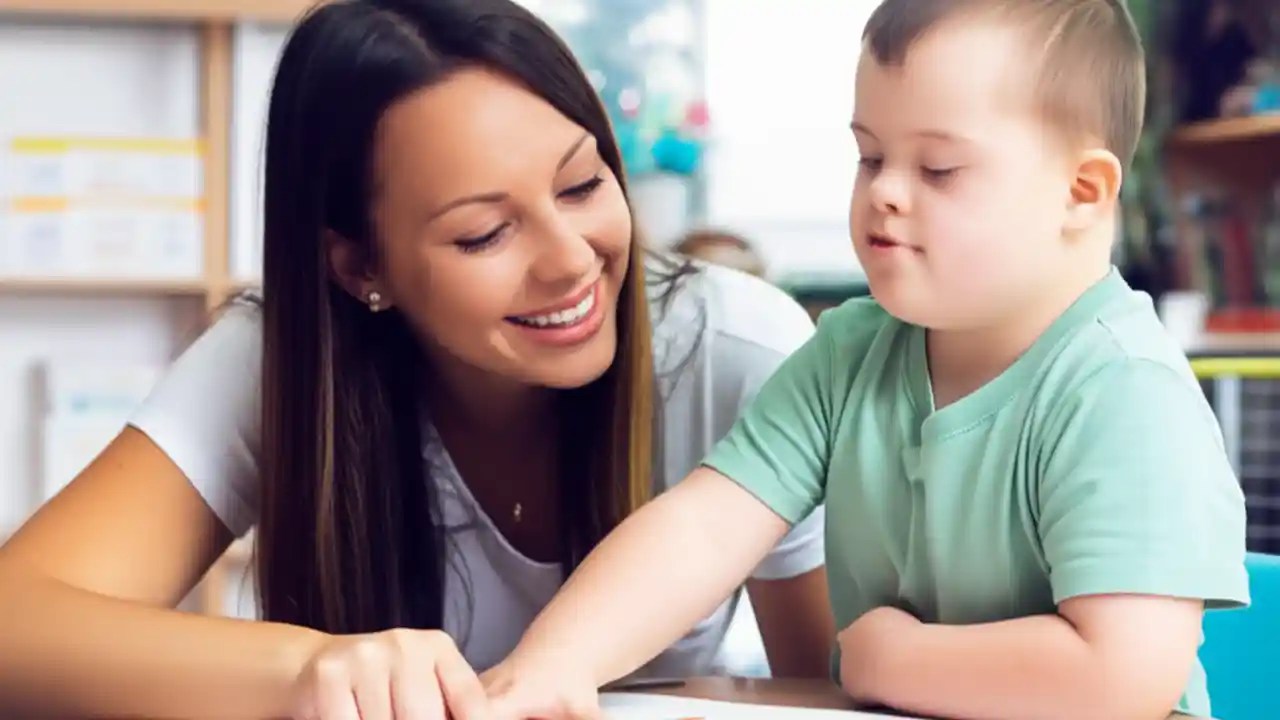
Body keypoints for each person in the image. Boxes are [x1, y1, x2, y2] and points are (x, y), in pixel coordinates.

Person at [0, 1, 835, 718]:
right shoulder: (276, 362)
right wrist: (306, 670)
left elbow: (834, 688)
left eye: (581, 185)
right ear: (362, 267)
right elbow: (16, 627)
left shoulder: (739, 348)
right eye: (485, 233)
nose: (572, 261)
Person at [485, 1, 1251, 719]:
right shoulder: (851, 352)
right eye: (869, 155)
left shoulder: (1123, 391)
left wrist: (892, 662)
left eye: (939, 170)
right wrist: (556, 660)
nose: (884, 191)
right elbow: (706, 529)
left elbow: (1122, 676)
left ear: (1081, 193)